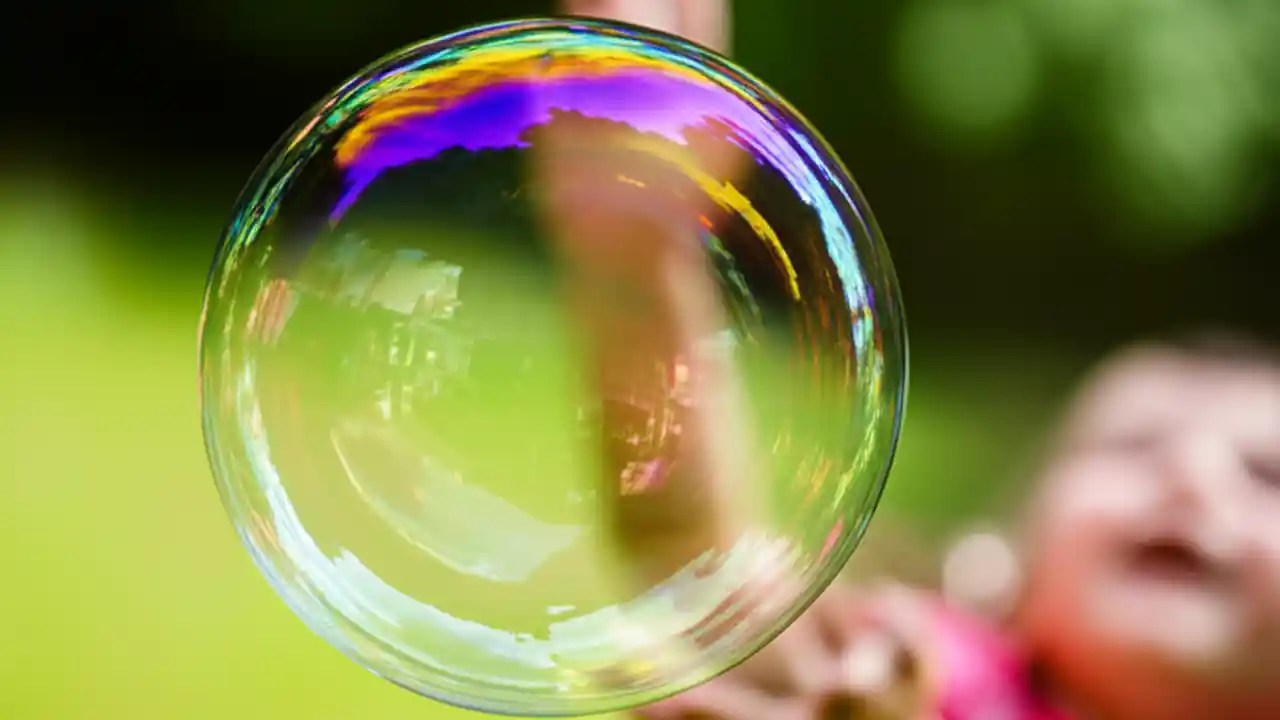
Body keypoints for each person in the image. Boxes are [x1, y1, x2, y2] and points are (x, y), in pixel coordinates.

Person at [632, 334, 1280, 720]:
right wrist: (644, 255)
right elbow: (706, 564)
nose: (1191, 477)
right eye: (1132, 446)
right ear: (1020, 550)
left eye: (1265, 474)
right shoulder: (929, 669)